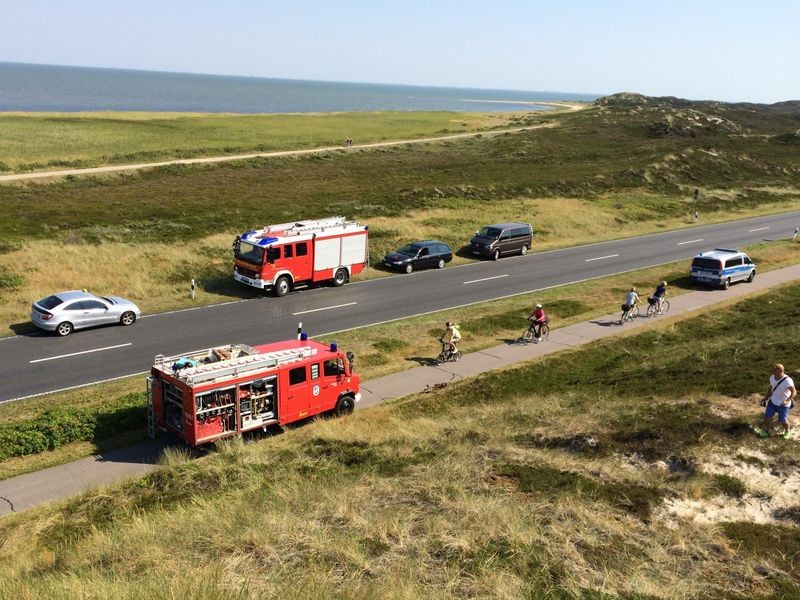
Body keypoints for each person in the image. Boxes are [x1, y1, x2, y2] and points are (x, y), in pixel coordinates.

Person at [760, 363, 796, 439]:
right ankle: (767, 431)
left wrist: (787, 400)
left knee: (783, 420)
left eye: (775, 369)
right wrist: (766, 398)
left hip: (783, 404)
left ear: (780, 370)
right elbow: (770, 389)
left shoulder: (788, 380)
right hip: (773, 402)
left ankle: (787, 431)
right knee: (767, 417)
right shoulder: (772, 377)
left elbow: (794, 392)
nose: (773, 370)